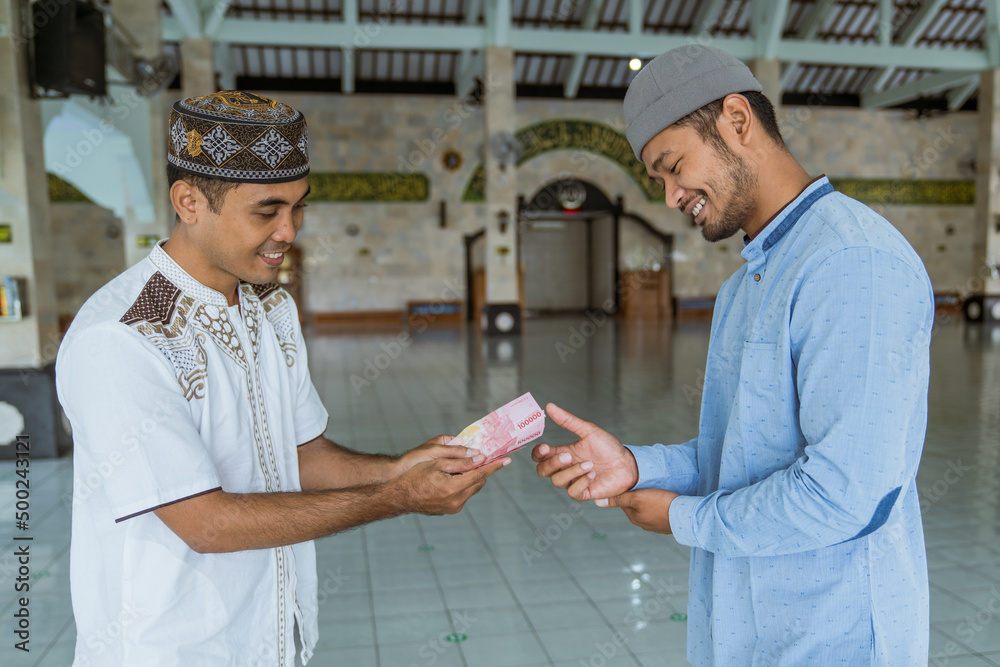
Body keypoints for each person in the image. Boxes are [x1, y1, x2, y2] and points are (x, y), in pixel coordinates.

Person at [55, 90, 509, 667]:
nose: (289, 231)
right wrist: (398, 498)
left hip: (272, 636)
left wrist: (401, 468)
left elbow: (302, 454)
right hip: (174, 648)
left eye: (298, 208)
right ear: (189, 202)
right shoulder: (122, 337)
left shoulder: (271, 306)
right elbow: (205, 524)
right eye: (266, 211)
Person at [533, 46, 934, 665]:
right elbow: (744, 456)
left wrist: (683, 518)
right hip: (748, 636)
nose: (671, 197)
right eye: (659, 181)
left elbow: (846, 495)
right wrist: (637, 466)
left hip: (833, 638)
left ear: (737, 120)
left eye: (673, 167)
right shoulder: (746, 284)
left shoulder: (852, 263)